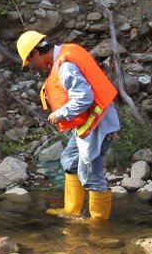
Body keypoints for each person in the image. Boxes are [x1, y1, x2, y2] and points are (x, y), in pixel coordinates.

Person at [16, 31, 121, 222]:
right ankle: (72, 210)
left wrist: (60, 114)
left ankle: (99, 224)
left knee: (90, 173)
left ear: (36, 53)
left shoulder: (66, 66)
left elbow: (84, 98)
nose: (35, 66)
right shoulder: (67, 51)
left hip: (98, 123)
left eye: (32, 62)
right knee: (70, 159)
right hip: (88, 123)